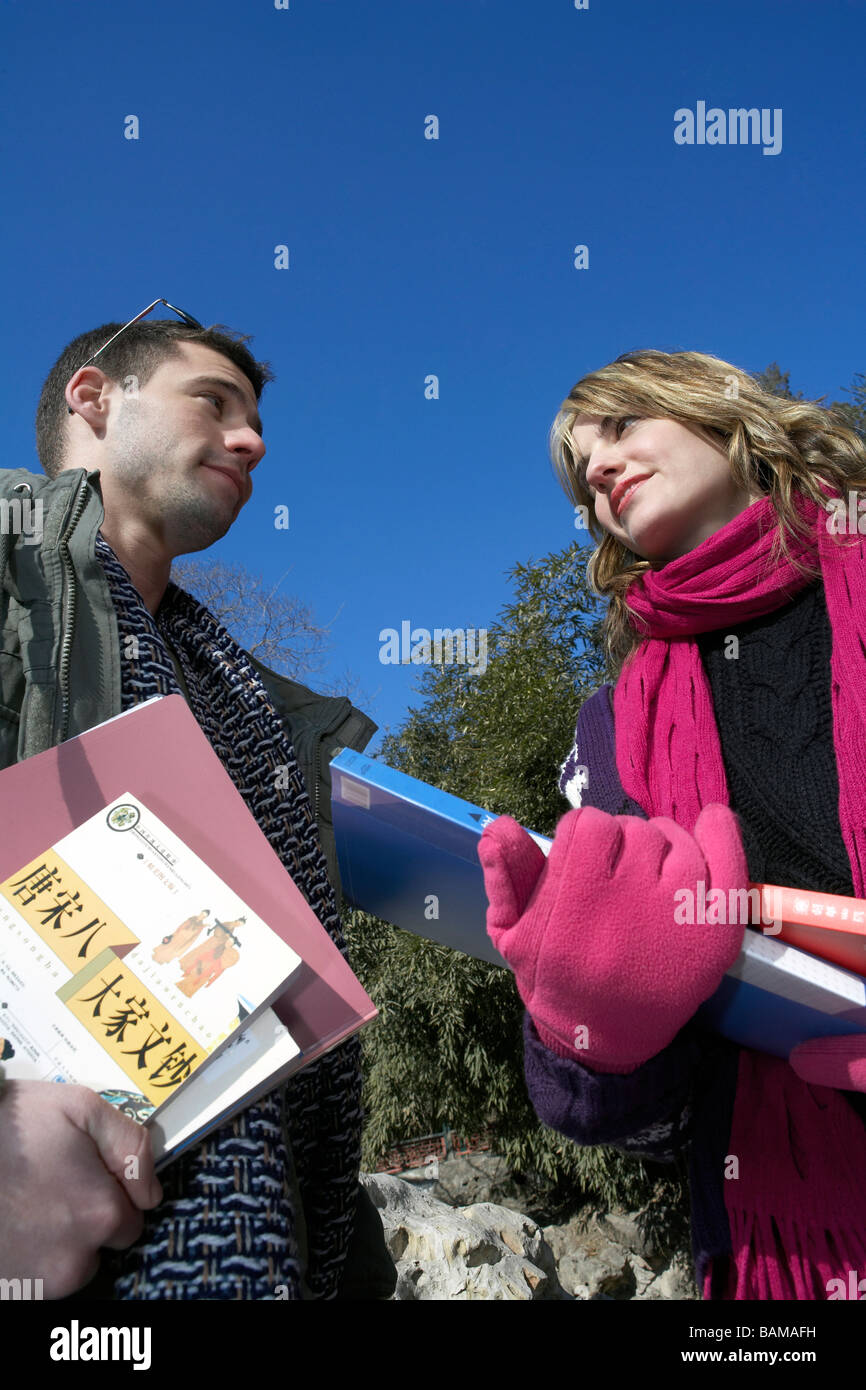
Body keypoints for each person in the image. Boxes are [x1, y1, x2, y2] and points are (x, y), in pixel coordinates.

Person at [0, 300, 393, 1301]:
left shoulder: (257, 705)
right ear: (94, 397)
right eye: (213, 402)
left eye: (255, 421)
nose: (252, 441)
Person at [479, 347, 866, 1300]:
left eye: (620, 426)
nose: (599, 470)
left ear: (723, 411)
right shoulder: (614, 724)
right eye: (581, 470)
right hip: (772, 1245)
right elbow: (635, 1121)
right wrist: (591, 1031)